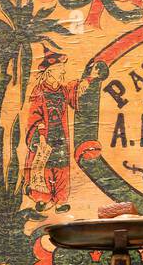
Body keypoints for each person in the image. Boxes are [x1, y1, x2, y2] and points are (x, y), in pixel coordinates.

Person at [24, 50, 101, 212]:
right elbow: (34, 114)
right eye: (60, 71)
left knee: (61, 167)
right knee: (42, 167)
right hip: (44, 136)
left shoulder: (63, 90)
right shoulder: (39, 92)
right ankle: (42, 198)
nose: (63, 73)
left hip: (60, 135)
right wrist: (39, 135)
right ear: (49, 73)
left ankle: (60, 200)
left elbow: (76, 89)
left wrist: (91, 77)